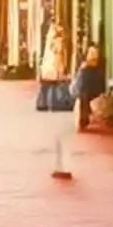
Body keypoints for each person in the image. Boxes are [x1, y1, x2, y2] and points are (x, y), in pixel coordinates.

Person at [37, 21, 75, 179]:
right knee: (60, 133)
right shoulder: (56, 47)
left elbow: (59, 68)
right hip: (57, 87)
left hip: (58, 88)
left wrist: (58, 75)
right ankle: (62, 165)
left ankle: (64, 166)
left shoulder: (57, 48)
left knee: (61, 132)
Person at [72, 43, 106, 131]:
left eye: (94, 53)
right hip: (86, 90)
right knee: (83, 97)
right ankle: (84, 118)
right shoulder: (85, 69)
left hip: (90, 89)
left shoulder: (95, 70)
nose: (92, 56)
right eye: (90, 53)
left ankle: (84, 118)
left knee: (84, 97)